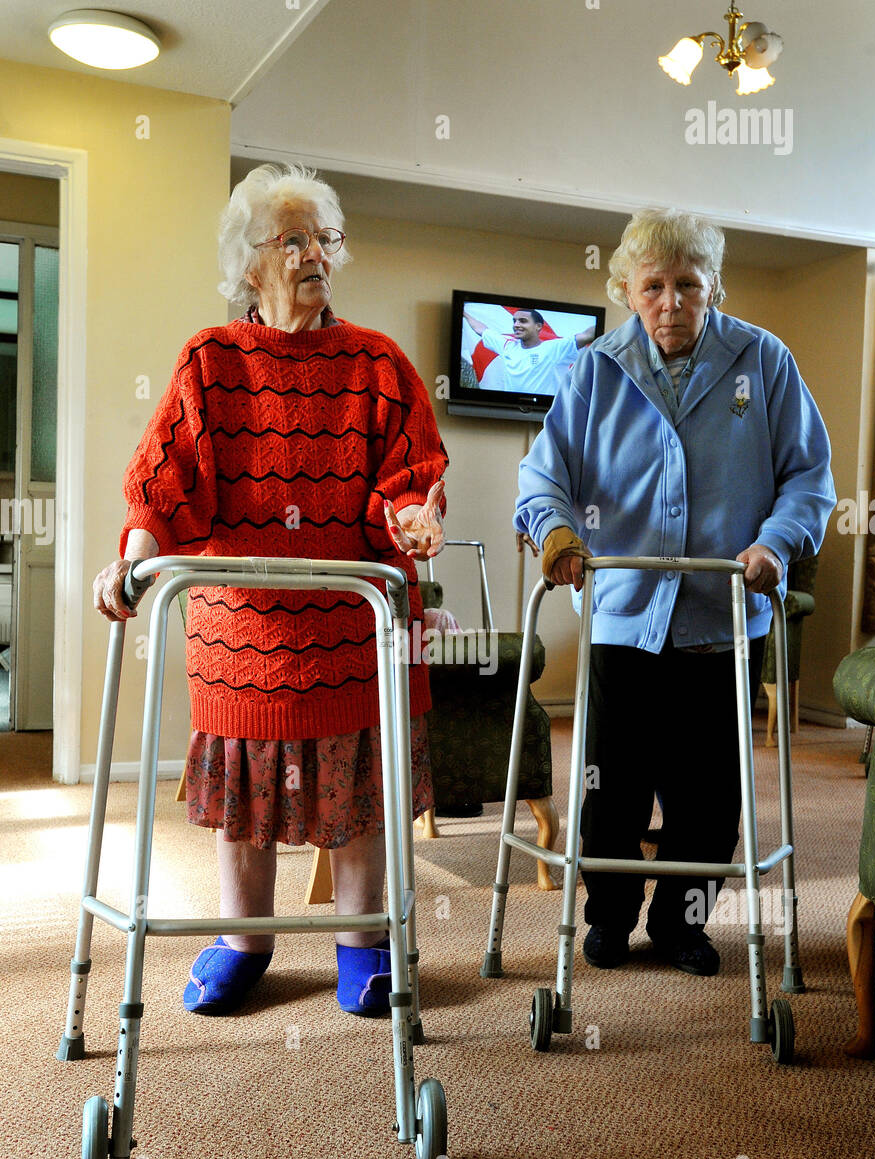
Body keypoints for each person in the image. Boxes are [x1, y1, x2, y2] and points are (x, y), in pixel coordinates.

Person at [94, 163, 448, 1016]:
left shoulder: (379, 362)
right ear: (248, 265)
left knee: (358, 792)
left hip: (353, 622)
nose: (313, 254)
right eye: (291, 239)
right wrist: (134, 563)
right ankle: (244, 940)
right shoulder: (210, 361)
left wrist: (410, 521)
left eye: (324, 237)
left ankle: (362, 942)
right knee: (245, 800)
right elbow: (165, 484)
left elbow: (409, 478)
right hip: (242, 631)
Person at [514, 207, 836, 977]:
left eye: (686, 284)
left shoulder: (763, 360)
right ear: (626, 290)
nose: (670, 302)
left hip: (722, 616)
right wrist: (556, 533)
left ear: (713, 286)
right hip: (624, 616)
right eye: (652, 285)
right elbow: (543, 474)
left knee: (707, 793)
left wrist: (775, 543)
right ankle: (609, 916)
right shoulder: (591, 369)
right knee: (612, 787)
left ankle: (679, 923)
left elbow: (809, 478)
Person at [463, 306, 599, 394]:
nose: (516, 325)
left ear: (538, 326)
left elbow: (587, 335)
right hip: (509, 409)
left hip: (549, 415)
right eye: (514, 321)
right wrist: (464, 313)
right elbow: (481, 329)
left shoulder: (554, 348)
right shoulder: (506, 345)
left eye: (523, 321)